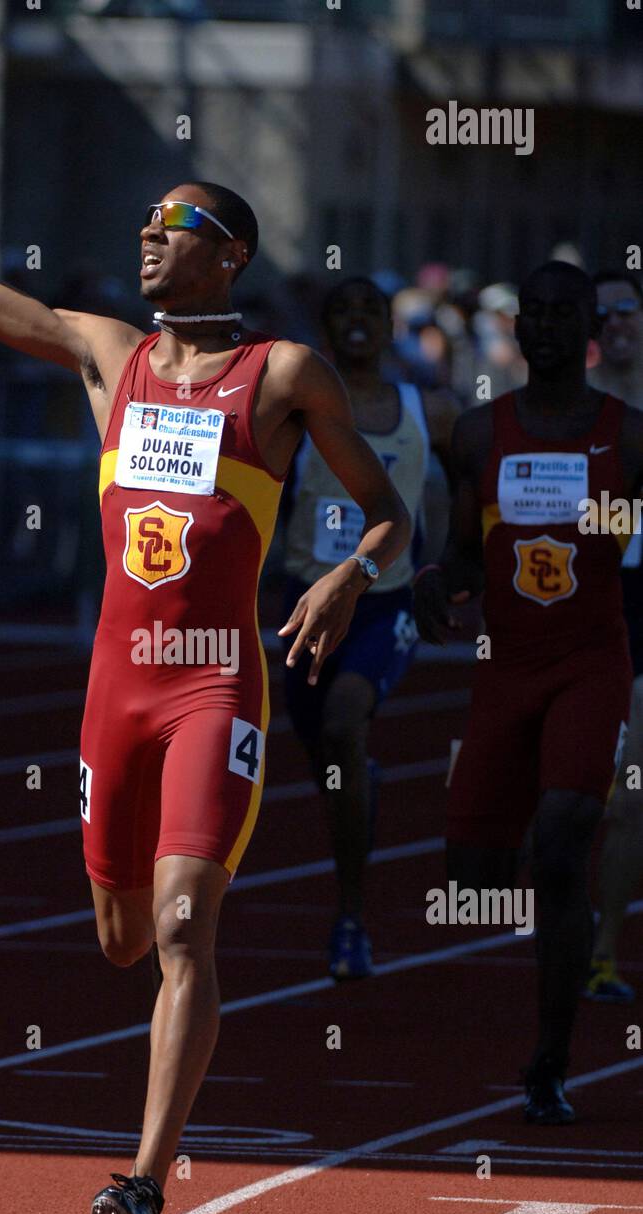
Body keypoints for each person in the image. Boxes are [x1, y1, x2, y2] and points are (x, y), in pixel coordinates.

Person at [0, 26, 410, 1214]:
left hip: (211, 688)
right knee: (120, 938)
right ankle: (144, 1122)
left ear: (226, 252)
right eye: (143, 219)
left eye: (173, 220)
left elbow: (389, 511)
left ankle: (140, 1184)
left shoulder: (281, 373)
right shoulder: (109, 354)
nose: (148, 235)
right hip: (113, 694)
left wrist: (347, 572)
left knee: (187, 928)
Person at [414, 261, 643, 1124]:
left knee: (562, 838)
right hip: (506, 667)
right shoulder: (478, 432)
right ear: (517, 328)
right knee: (472, 875)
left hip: (592, 660)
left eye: (563, 312)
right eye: (533, 311)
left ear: (587, 326)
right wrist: (442, 577)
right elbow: (464, 551)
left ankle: (551, 1055)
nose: (546, 326)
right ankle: (558, 918)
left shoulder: (628, 436)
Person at [282, 277, 458, 978]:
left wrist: (443, 564)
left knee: (345, 722)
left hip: (385, 604)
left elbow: (471, 476)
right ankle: (357, 786)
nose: (358, 321)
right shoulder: (297, 410)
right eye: (343, 310)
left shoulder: (430, 409)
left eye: (371, 311)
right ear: (326, 331)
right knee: (327, 761)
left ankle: (351, 913)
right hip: (308, 603)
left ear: (391, 329)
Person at [585, 270, 643, 1002]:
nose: (616, 323)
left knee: (632, 798)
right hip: (577, 594)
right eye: (602, 315)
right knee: (565, 796)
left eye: (627, 308)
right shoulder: (574, 409)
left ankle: (602, 953)